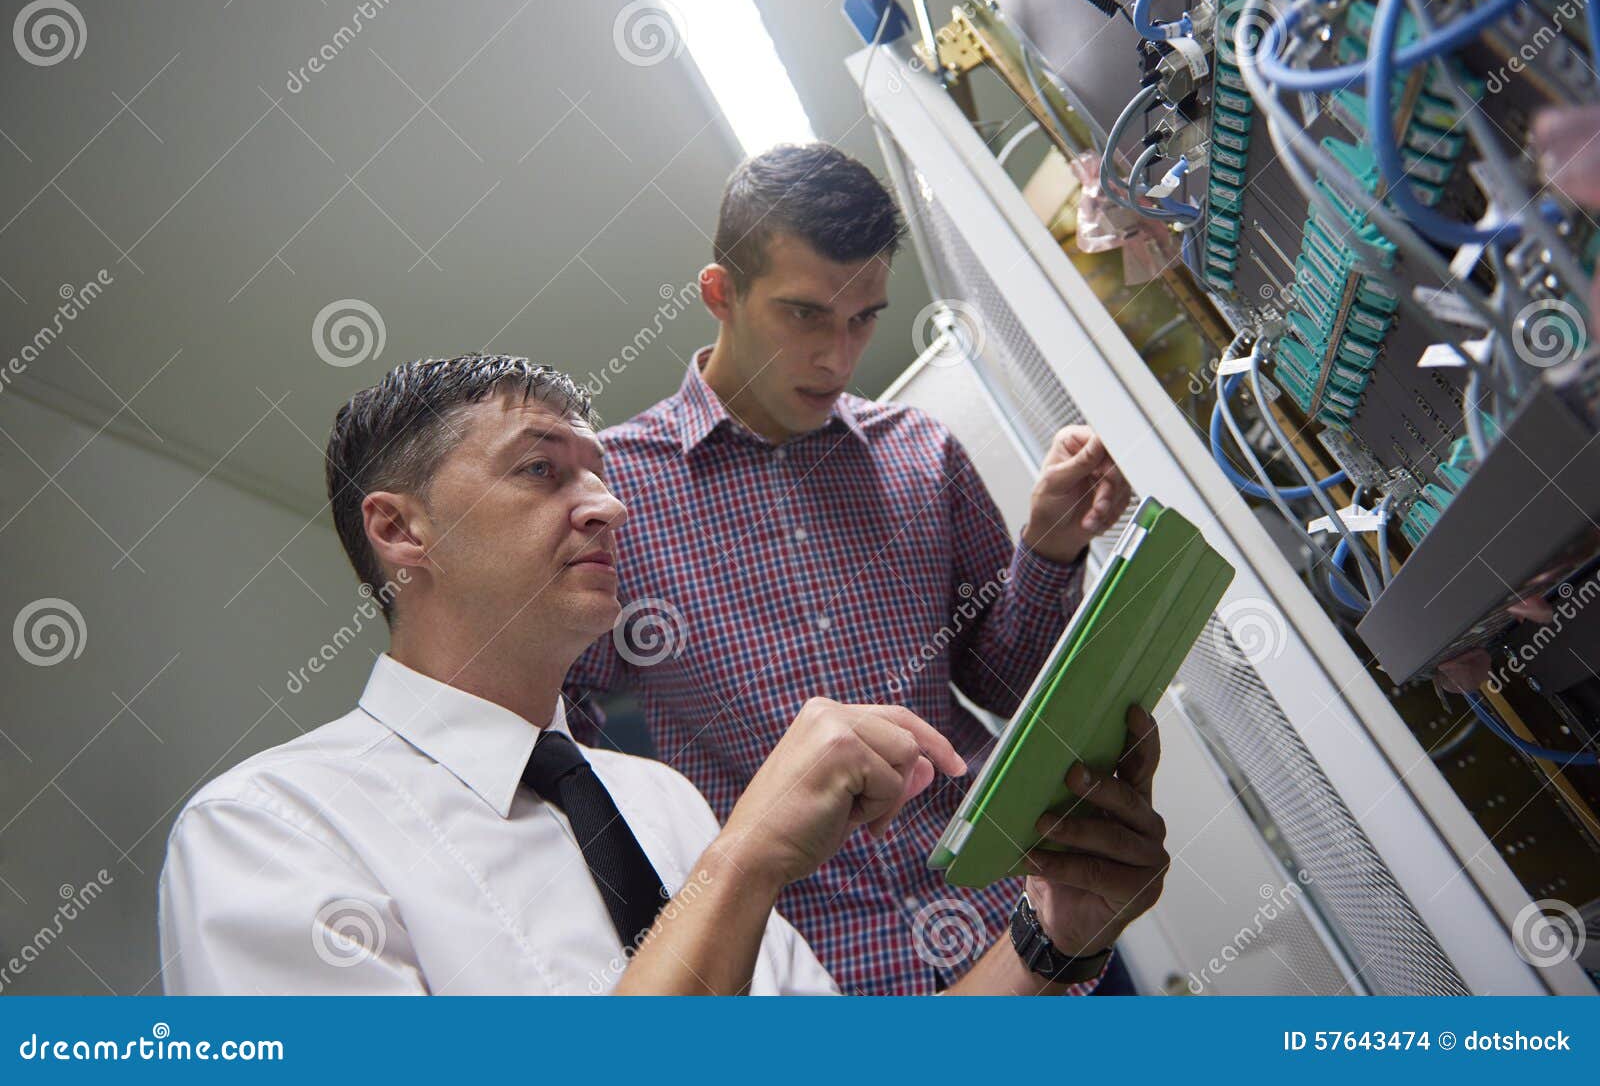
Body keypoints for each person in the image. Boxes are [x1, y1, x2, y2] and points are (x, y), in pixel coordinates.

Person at [157, 355, 1170, 994]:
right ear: (399, 529)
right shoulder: (271, 831)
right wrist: (741, 868)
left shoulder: (660, 804)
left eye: (600, 473)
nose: (606, 505)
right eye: (541, 468)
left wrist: (1055, 935)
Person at [564, 143, 1138, 994]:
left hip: (1026, 923)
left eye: (863, 317)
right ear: (720, 294)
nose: (839, 357)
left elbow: (1011, 685)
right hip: (821, 974)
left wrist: (1050, 545)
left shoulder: (922, 455)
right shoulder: (613, 495)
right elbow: (561, 740)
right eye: (804, 315)